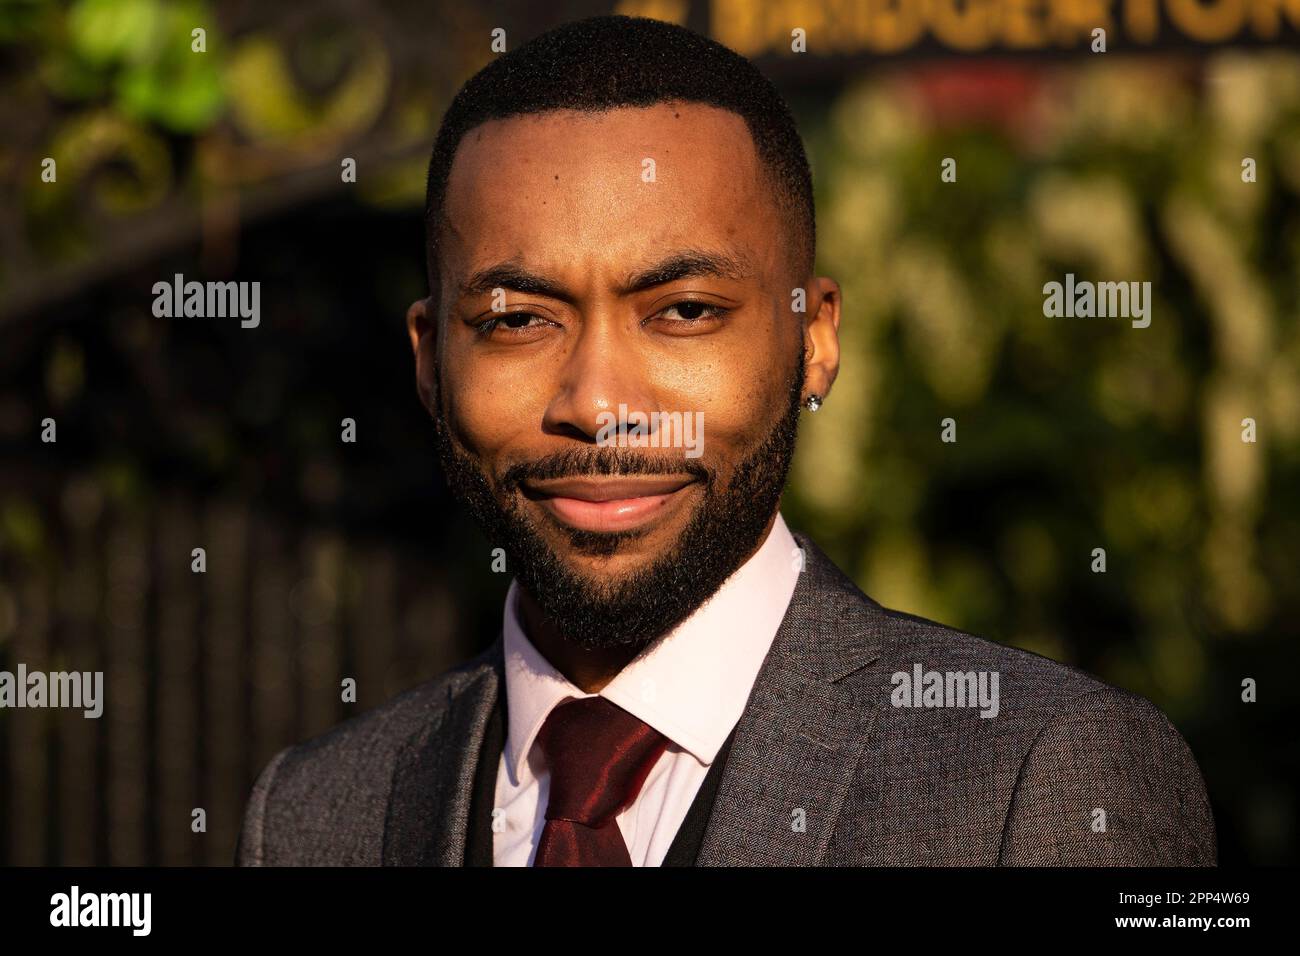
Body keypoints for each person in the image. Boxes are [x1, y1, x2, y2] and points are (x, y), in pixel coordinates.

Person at [236, 15, 1215, 867]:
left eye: (686, 310)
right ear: (427, 356)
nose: (601, 401)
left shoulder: (1035, 774)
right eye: (517, 319)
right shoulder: (319, 813)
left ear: (814, 337)